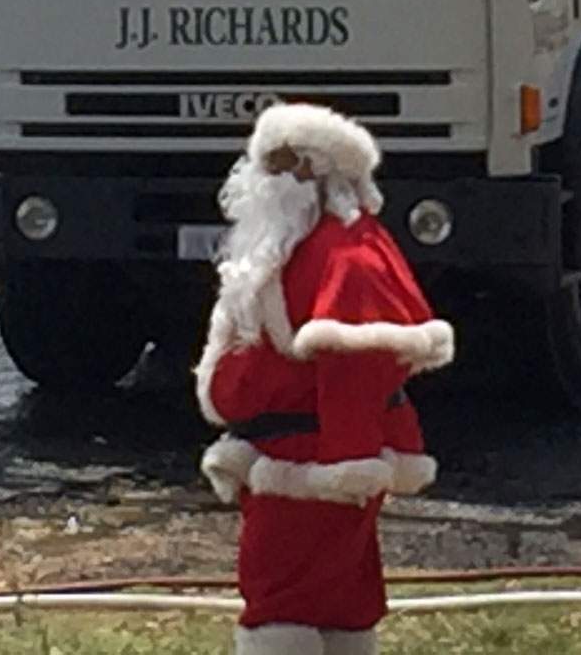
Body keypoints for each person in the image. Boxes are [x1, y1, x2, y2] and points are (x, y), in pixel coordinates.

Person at [194, 103, 454, 654]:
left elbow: (360, 369)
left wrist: (345, 469)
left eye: (281, 165)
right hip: (293, 456)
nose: (263, 180)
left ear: (317, 172)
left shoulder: (345, 256)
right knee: (337, 601)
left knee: (281, 602)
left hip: (308, 466)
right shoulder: (305, 242)